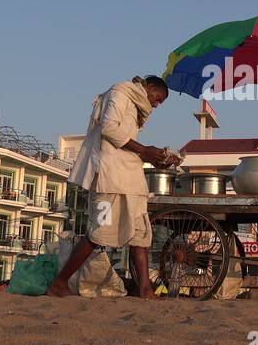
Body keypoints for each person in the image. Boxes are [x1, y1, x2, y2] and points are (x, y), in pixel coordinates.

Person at [48, 75, 179, 299]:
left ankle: (146, 289)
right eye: (158, 98)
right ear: (149, 87)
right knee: (97, 233)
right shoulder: (120, 92)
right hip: (108, 178)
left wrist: (155, 158)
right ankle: (58, 283)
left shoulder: (135, 105)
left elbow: (128, 144)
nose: (157, 104)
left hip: (130, 179)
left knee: (140, 234)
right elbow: (109, 128)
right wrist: (144, 150)